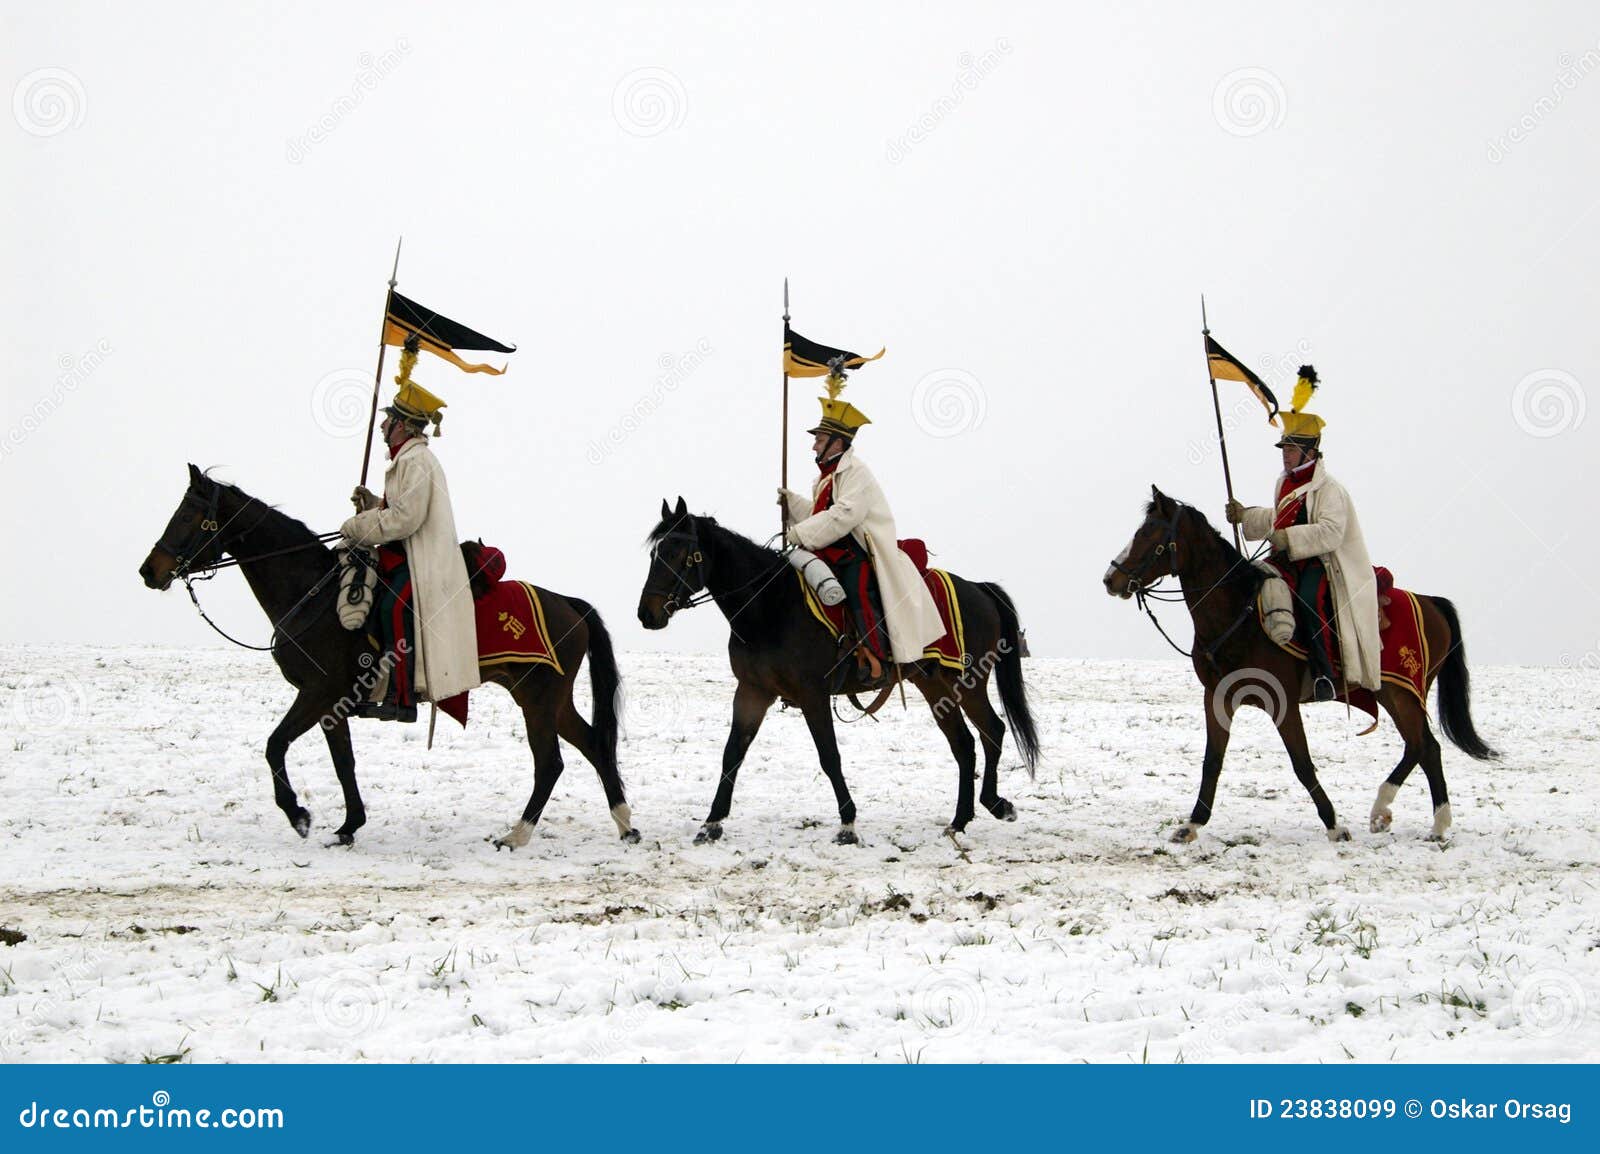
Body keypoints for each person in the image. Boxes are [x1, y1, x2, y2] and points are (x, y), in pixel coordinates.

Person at [1226, 366, 1380, 702]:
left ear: (1310, 451)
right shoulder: (1284, 482)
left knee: (1309, 601)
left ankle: (1324, 675)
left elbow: (1331, 533)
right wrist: (1246, 516)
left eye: (1292, 448)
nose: (1285, 454)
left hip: (1320, 564)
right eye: (1284, 448)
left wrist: (1288, 539)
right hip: (1285, 561)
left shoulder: (1330, 489)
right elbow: (1278, 519)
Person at [779, 388, 944, 686]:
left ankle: (876, 656)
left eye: (819, 440)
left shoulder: (857, 473)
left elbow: (844, 515)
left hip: (860, 551)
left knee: (857, 586)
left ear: (837, 442)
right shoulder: (827, 476)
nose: (814, 446)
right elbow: (819, 515)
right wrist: (792, 504)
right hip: (834, 547)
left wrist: (799, 532)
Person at [341, 379, 480, 721]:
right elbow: (398, 508)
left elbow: (405, 519)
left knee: (393, 608)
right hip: (402, 556)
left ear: (402, 426)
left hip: (423, 563)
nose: (382, 425)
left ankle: (402, 699)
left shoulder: (417, 461)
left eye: (387, 419)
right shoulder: (405, 460)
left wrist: (357, 525)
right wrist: (373, 504)